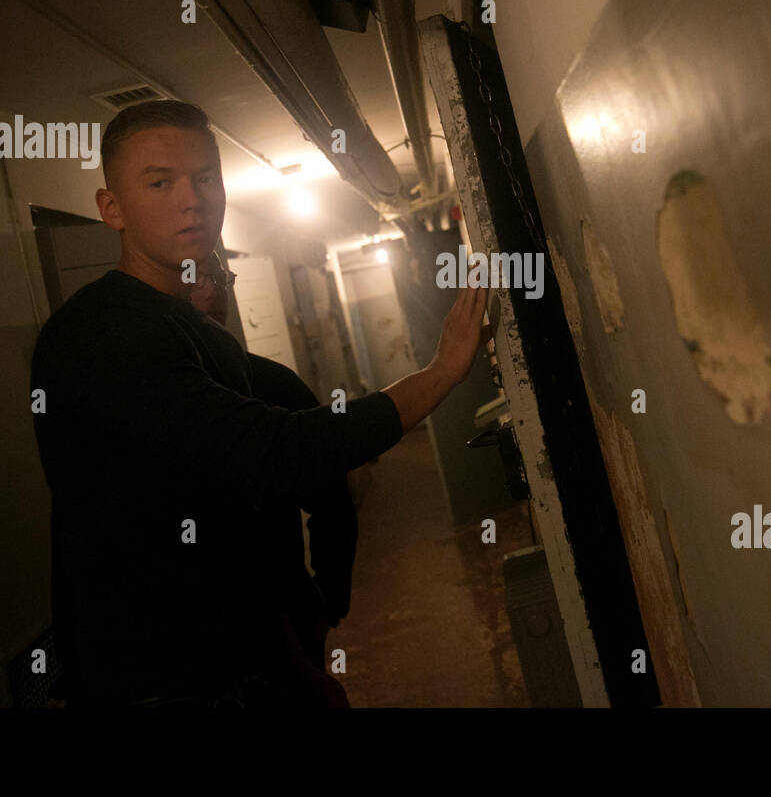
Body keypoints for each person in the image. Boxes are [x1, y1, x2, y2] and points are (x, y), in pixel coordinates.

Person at [30, 99, 489, 707]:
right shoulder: (104, 333)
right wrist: (440, 374)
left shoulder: (192, 332)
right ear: (110, 207)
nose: (192, 201)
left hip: (239, 657)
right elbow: (277, 454)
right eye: (160, 183)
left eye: (205, 178)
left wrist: (292, 642)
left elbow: (235, 522)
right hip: (161, 683)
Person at [187, 250, 352, 677]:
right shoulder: (144, 395)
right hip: (187, 639)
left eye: (221, 276)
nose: (215, 290)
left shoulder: (271, 383)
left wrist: (327, 601)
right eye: (197, 276)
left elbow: (331, 498)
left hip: (281, 618)